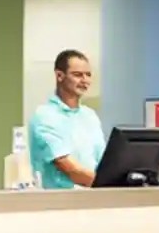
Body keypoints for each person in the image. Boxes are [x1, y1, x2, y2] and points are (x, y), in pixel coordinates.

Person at [28, 49, 105, 189]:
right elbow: (70, 169)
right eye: (77, 75)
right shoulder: (45, 116)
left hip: (93, 200)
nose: (84, 80)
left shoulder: (90, 116)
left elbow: (104, 163)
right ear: (59, 75)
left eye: (88, 75)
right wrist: (109, 184)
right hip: (60, 204)